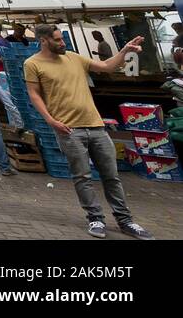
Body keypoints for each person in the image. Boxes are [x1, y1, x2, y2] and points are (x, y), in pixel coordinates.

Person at [24, 24, 153, 239]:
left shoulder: (74, 57)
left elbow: (105, 66)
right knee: (82, 176)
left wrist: (124, 51)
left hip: (96, 126)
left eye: (62, 39)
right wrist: (51, 121)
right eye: (57, 40)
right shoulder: (32, 63)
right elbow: (34, 94)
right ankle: (95, 219)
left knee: (111, 176)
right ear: (44, 41)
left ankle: (125, 220)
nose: (62, 42)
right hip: (69, 129)